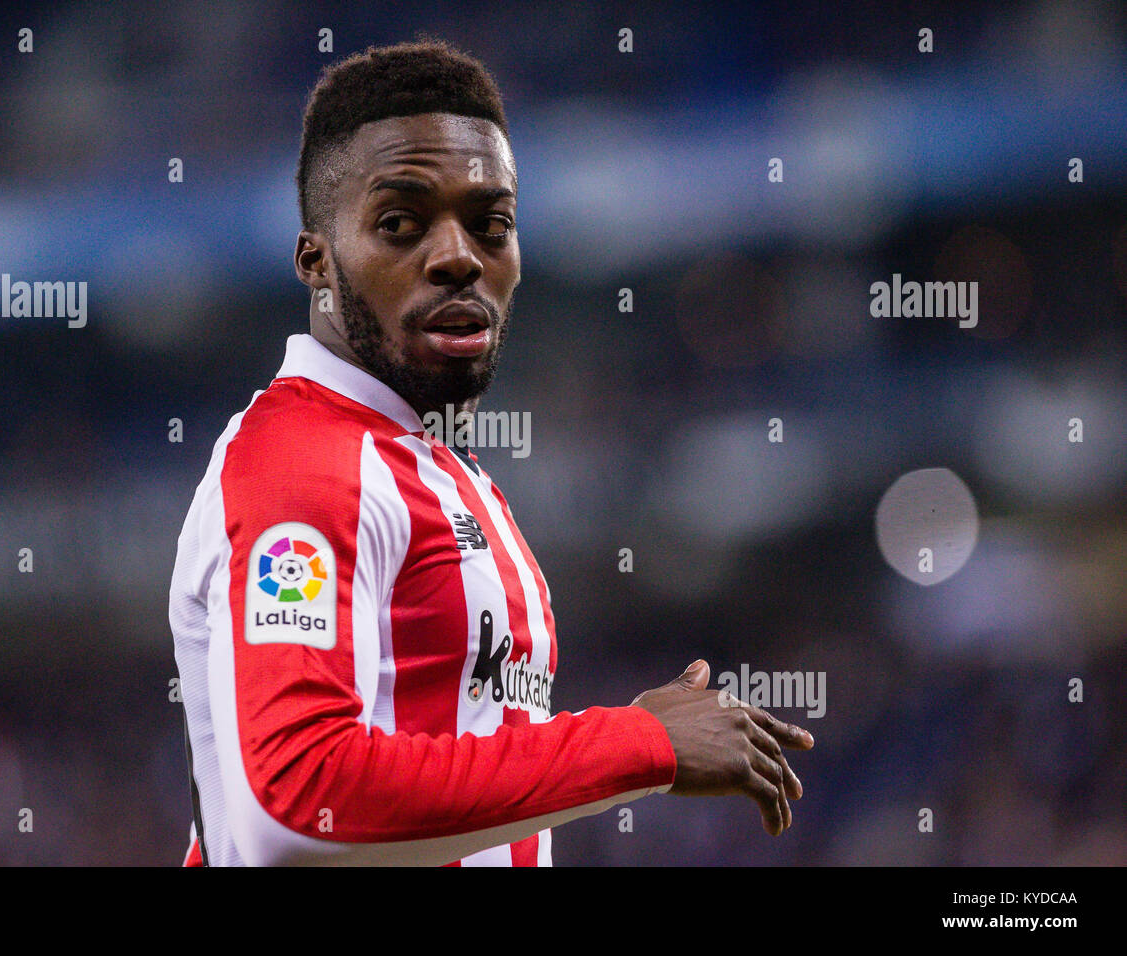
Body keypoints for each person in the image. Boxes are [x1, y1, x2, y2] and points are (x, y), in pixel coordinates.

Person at [168, 38, 814, 867]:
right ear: (316, 262)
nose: (458, 256)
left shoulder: (439, 469)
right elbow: (297, 806)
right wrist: (636, 745)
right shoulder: (300, 462)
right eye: (400, 223)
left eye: (491, 224)